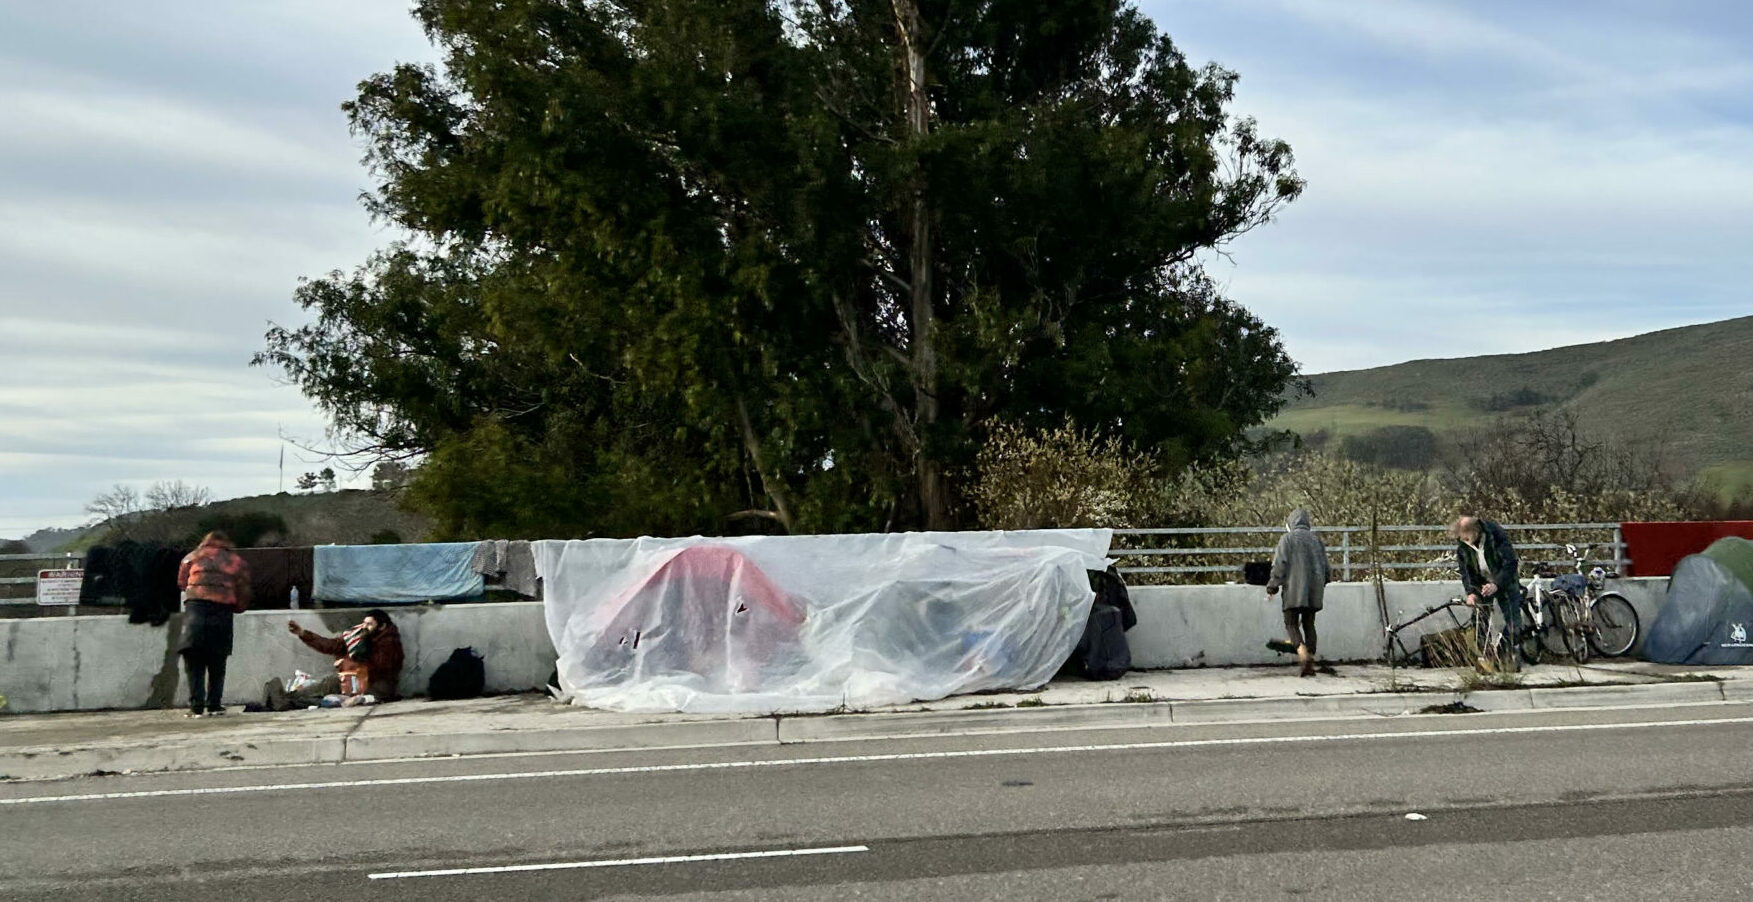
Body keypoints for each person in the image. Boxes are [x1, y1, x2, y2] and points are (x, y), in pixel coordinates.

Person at [176, 531, 252, 717]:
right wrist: (238, 607)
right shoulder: (236, 561)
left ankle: (196, 707)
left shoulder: (191, 557)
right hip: (221, 613)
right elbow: (243, 590)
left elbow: (181, 582)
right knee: (217, 661)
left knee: (194, 661)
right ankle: (214, 705)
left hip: (195, 611)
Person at [267, 609, 406, 710]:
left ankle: (285, 700)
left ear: (382, 626)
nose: (364, 627)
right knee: (327, 685)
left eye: (369, 624)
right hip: (354, 680)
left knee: (330, 687)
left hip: (375, 687)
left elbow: (379, 668)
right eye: (364, 623)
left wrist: (348, 663)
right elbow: (331, 645)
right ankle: (287, 698)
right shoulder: (359, 636)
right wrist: (302, 633)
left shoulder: (389, 642)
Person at [1264, 509, 1330, 677]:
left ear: (1291, 522)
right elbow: (1326, 568)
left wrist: (1272, 587)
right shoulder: (1316, 540)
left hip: (1293, 591)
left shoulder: (1287, 539)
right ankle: (1311, 659)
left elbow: (1280, 565)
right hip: (1314, 591)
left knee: (1291, 624)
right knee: (1309, 624)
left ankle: (1303, 655)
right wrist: (1322, 583)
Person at [1454, 515, 1523, 671]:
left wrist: (1497, 584)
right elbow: (1466, 572)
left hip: (1505, 581)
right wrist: (1471, 593)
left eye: (1467, 537)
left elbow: (1510, 563)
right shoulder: (1463, 546)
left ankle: (1505, 654)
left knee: (1513, 621)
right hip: (1482, 583)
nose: (1464, 540)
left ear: (1475, 531)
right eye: (1462, 538)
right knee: (1480, 621)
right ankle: (1485, 658)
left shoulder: (1496, 536)